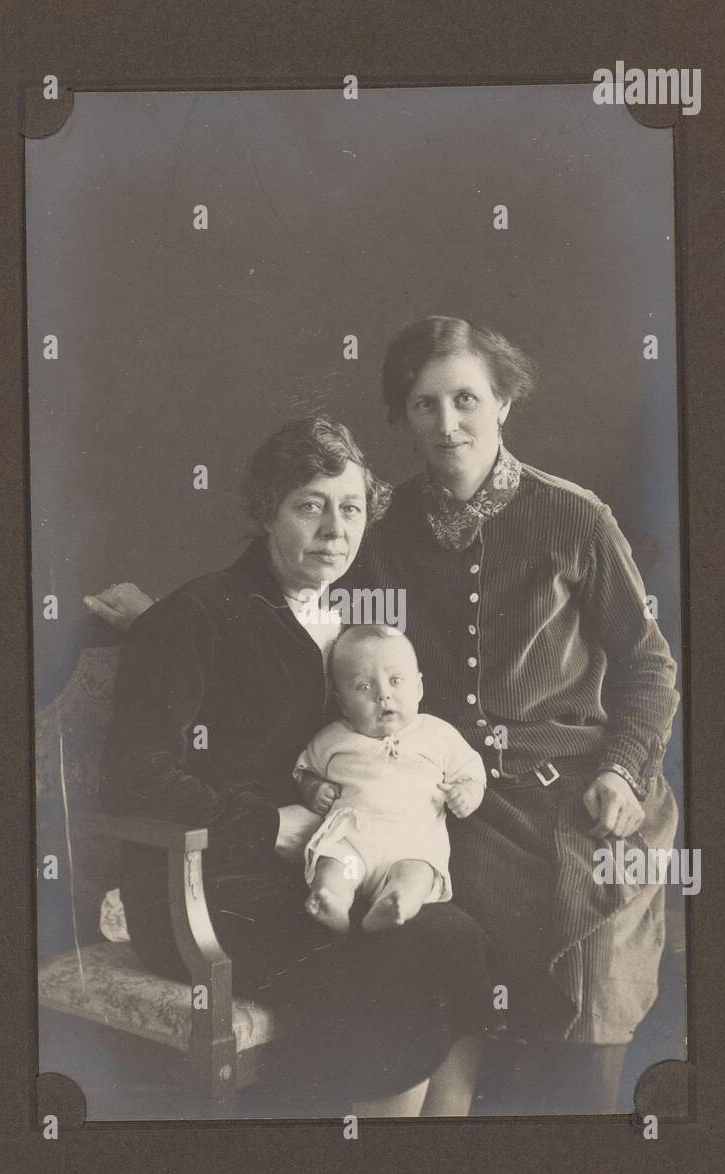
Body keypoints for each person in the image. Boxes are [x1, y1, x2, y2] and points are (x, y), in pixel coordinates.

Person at [98, 415, 495, 1118]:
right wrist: (260, 825)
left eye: (350, 509)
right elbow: (132, 774)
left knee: (460, 938)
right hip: (202, 886)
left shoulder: (342, 628)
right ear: (265, 511)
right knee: (399, 965)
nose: (334, 529)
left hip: (313, 866)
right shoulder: (197, 615)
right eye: (309, 506)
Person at [354, 316, 681, 1113]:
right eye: (423, 405)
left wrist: (620, 771)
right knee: (458, 1012)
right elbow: (324, 620)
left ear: (505, 403)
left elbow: (648, 665)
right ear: (403, 418)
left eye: (467, 398)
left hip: (585, 800)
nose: (447, 423)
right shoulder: (386, 528)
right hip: (464, 809)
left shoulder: (574, 517)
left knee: (587, 1029)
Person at [294, 624, 487, 933]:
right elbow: (305, 769)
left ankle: (395, 903)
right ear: (342, 702)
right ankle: (331, 899)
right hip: (352, 837)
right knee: (333, 863)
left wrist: (467, 793)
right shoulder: (334, 738)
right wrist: (313, 788)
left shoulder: (436, 734)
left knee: (417, 874)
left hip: (412, 841)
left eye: (395, 681)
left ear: (419, 688)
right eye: (363, 687)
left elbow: (472, 772)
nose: (383, 694)